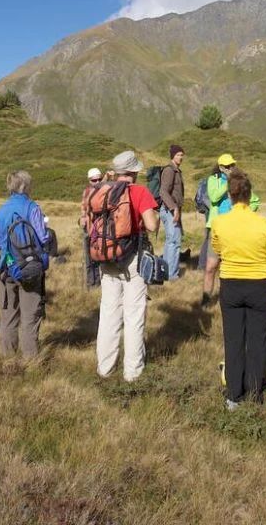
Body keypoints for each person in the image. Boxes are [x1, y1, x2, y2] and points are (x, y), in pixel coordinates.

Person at [203, 170, 266, 409]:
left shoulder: (219, 222)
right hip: (259, 286)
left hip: (231, 285)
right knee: (257, 341)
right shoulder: (265, 225)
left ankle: (233, 395)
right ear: (250, 195)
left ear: (230, 194)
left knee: (233, 340)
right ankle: (254, 393)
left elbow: (216, 250)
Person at [95, 151, 159, 382]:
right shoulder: (140, 191)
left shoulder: (103, 190)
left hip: (107, 257)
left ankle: (105, 368)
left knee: (109, 313)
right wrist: (156, 217)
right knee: (133, 315)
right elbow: (151, 225)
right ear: (134, 172)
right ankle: (132, 372)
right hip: (133, 259)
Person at [0, 170, 50, 358]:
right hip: (30, 269)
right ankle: (30, 359)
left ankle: (7, 357)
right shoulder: (32, 207)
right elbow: (43, 237)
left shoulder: (1, 210)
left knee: (8, 314)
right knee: (30, 315)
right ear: (25, 186)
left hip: (7, 267)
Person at [199, 153, 259, 271]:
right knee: (213, 256)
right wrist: (228, 183)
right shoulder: (213, 180)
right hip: (217, 222)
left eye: (232, 165)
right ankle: (209, 273)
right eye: (227, 166)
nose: (230, 168)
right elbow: (214, 197)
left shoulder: (240, 181)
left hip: (235, 223)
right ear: (220, 167)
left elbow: (254, 201)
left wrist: (245, 213)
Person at [158, 145, 185, 280]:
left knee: (171, 241)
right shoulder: (169, 171)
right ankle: (171, 274)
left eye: (182, 155)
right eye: (179, 154)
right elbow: (163, 191)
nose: (181, 157)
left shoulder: (176, 170)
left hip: (172, 210)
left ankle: (167, 272)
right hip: (169, 210)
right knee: (174, 242)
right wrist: (174, 208)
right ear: (173, 155)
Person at [80, 167, 103, 288]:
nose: (97, 182)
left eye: (99, 179)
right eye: (94, 180)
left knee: (100, 256)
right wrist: (83, 219)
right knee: (89, 258)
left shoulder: (106, 191)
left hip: (102, 229)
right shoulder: (87, 192)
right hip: (89, 228)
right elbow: (83, 208)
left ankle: (100, 283)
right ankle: (91, 283)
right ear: (89, 180)